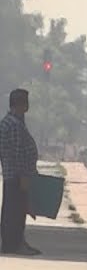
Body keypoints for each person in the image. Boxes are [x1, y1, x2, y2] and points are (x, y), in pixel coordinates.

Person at [0, 88, 40, 255]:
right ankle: (14, 244)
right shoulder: (14, 125)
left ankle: (16, 242)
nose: (27, 106)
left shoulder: (10, 122)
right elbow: (17, 153)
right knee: (15, 212)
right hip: (16, 175)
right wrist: (24, 175)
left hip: (12, 174)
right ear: (20, 104)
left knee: (13, 210)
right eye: (25, 102)